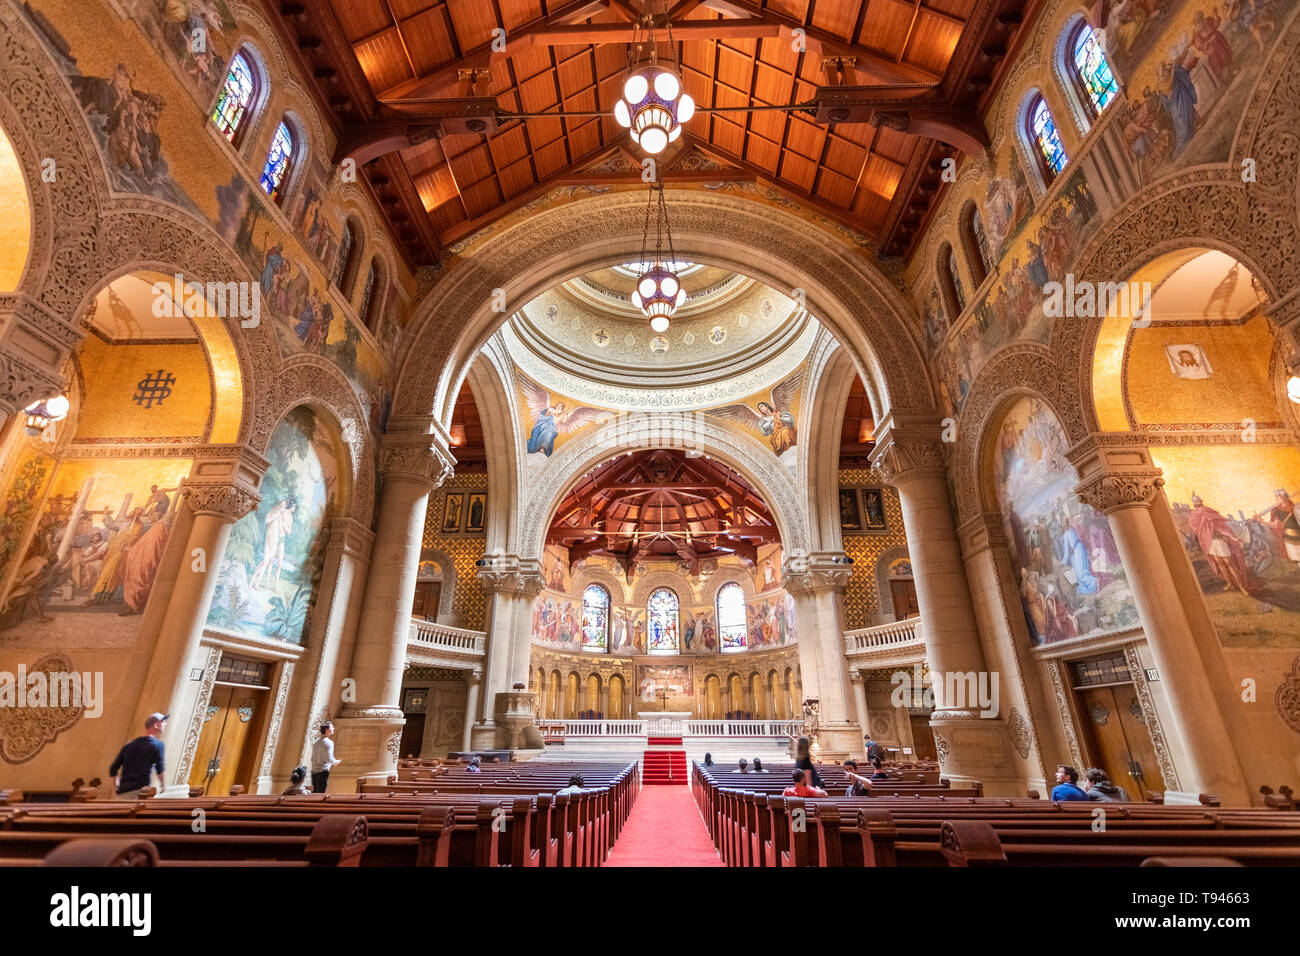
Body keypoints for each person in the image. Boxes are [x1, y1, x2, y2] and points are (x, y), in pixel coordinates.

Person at [109, 713, 168, 799]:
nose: (165, 724)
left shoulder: (129, 745)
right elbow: (160, 769)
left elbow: (113, 769)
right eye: (163, 722)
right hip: (139, 794)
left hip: (122, 794)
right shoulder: (157, 745)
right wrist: (163, 785)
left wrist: (116, 785)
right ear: (155, 725)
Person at [311, 722, 340, 793]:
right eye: (332, 727)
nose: (334, 728)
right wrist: (335, 762)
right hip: (322, 772)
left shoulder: (316, 743)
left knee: (315, 793)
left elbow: (312, 758)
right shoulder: (329, 742)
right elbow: (329, 758)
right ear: (327, 730)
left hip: (314, 772)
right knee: (320, 794)